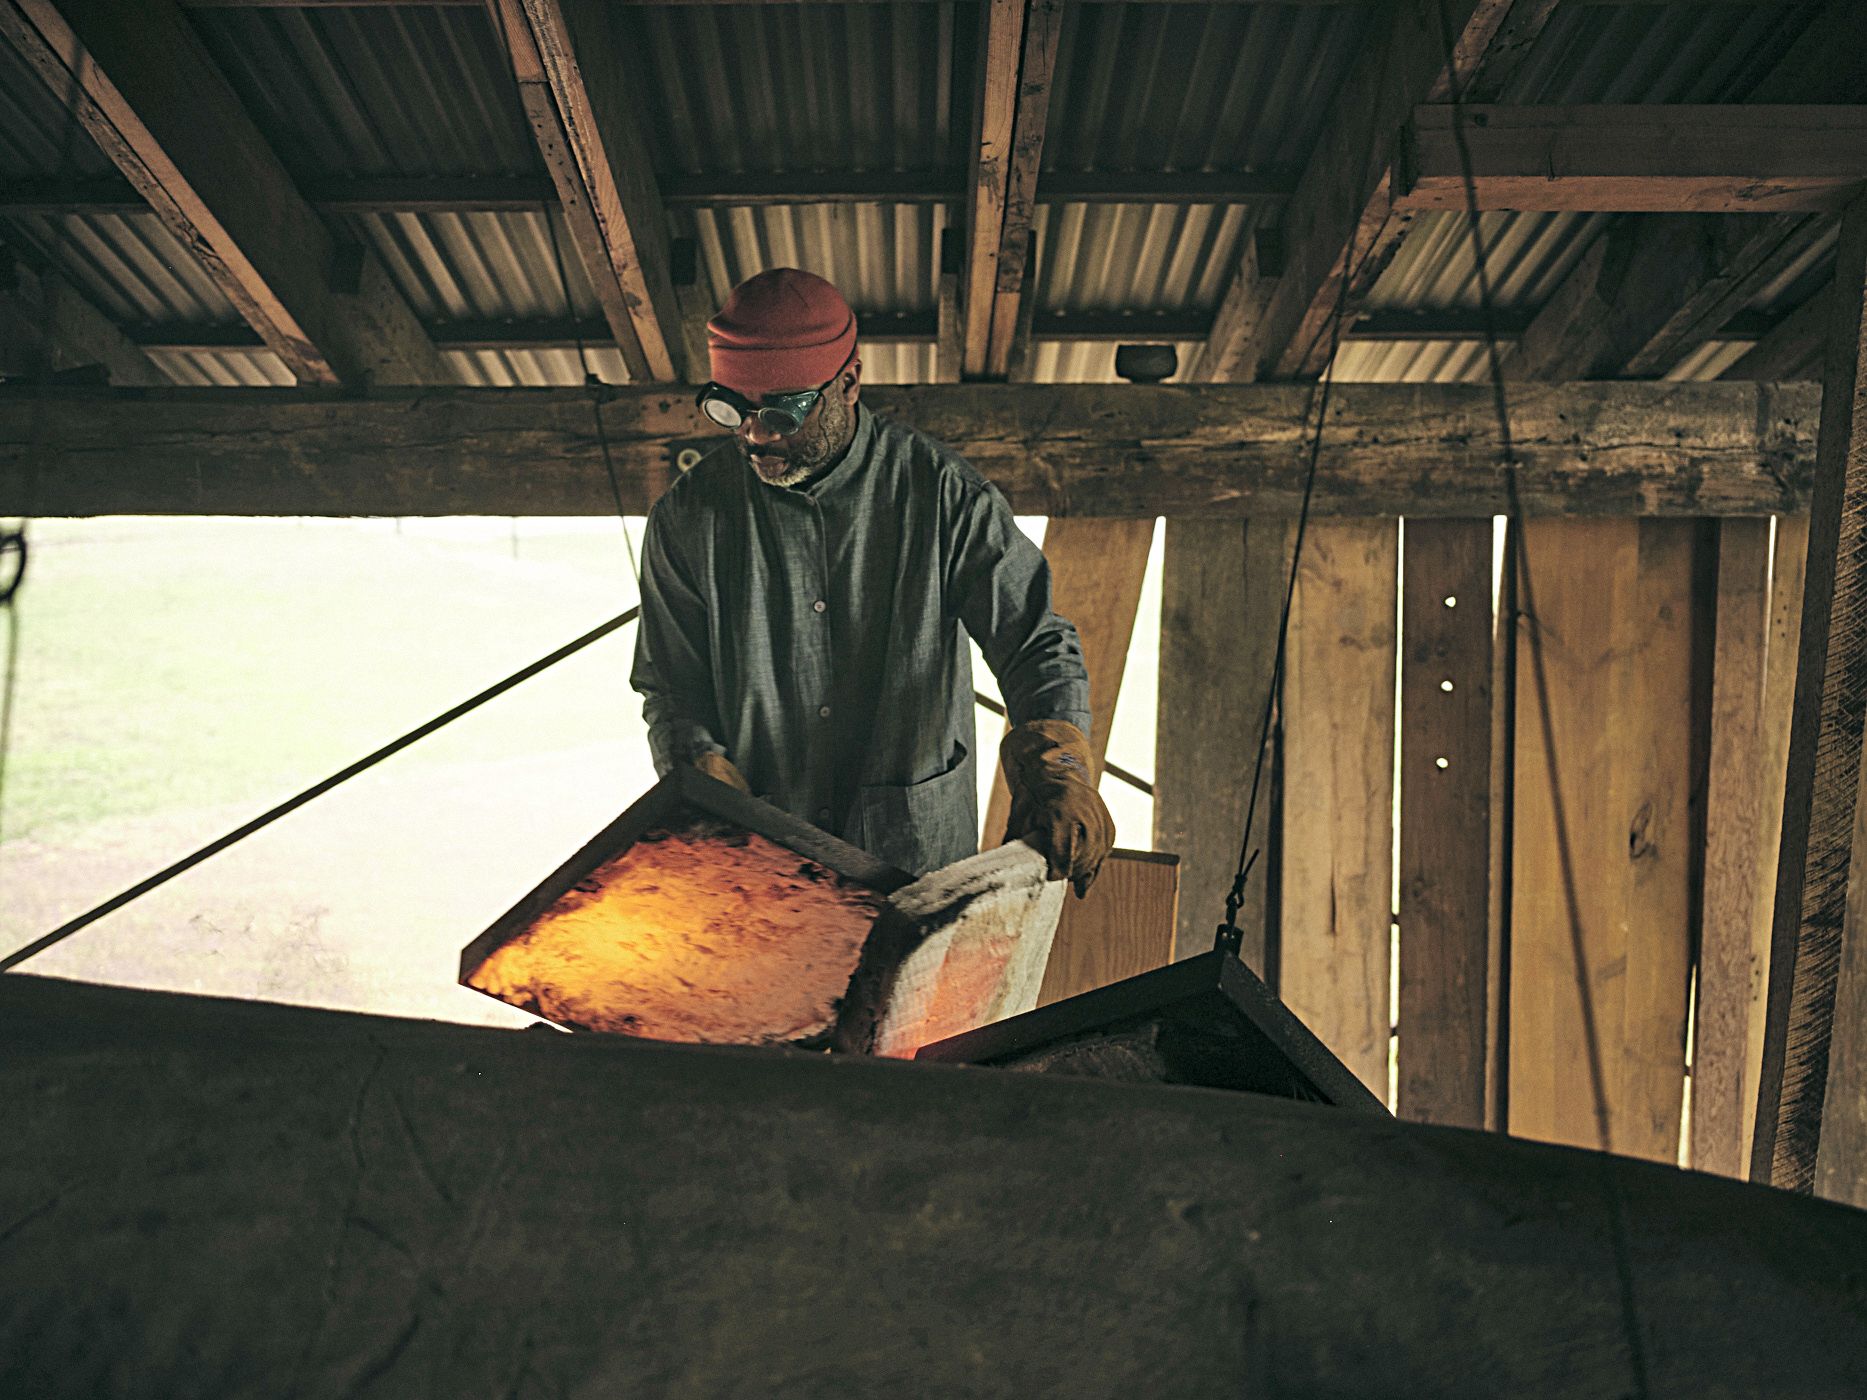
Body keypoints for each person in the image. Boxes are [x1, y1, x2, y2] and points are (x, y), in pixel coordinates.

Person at [631, 267, 1113, 892]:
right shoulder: (687, 518)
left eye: (781, 413)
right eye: (732, 410)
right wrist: (700, 771)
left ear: (849, 381)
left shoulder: (944, 496)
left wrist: (1062, 771)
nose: (753, 436)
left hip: (918, 861)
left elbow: (1034, 645)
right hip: (764, 871)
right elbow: (671, 688)